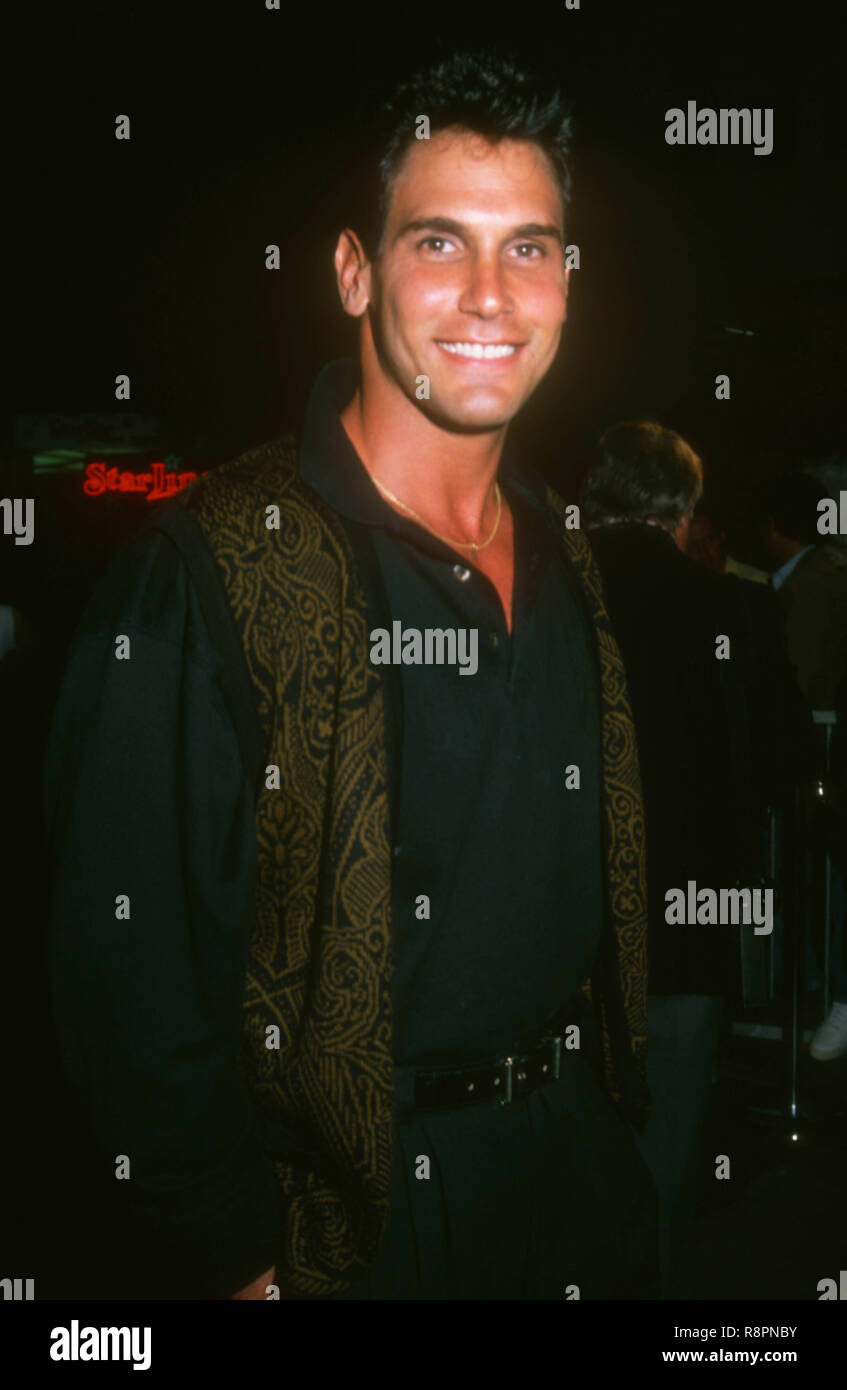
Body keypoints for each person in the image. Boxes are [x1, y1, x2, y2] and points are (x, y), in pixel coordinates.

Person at [44, 51, 657, 1301]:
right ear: (352, 271)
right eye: (440, 242)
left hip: (574, 1178)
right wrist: (234, 1258)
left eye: (530, 248)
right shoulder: (209, 566)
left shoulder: (565, 547)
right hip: (352, 1227)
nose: (490, 294)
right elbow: (123, 966)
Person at [582, 420, 809, 1295]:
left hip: (553, 933)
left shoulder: (534, 595)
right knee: (664, 1147)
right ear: (683, 509)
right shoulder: (734, 608)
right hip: (689, 922)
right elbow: (789, 756)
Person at [759, 472, 847, 1059]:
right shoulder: (813, 580)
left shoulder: (816, 585)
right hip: (818, 762)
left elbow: (800, 680)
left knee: (822, 879)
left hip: (820, 764)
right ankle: (817, 985)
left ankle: (826, 991)